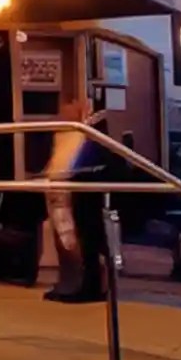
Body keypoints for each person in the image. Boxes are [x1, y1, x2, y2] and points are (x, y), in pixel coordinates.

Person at [42, 102, 112, 303]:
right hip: (64, 190)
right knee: (68, 241)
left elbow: (84, 161)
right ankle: (72, 283)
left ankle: (87, 285)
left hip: (80, 190)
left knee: (83, 240)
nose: (64, 110)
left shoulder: (88, 131)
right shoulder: (64, 134)